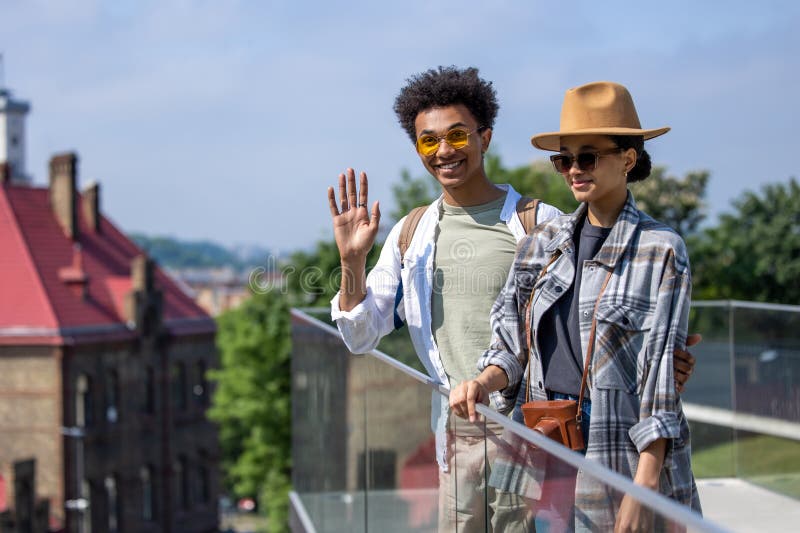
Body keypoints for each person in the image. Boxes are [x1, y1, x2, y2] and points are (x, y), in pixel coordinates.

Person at [328, 68, 697, 531]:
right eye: (565, 161)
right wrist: (352, 263)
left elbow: (601, 335)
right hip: (469, 427)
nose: (444, 151)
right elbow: (361, 335)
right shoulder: (415, 235)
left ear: (484, 137)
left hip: (546, 429)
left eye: (458, 135)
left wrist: (659, 364)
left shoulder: (537, 225)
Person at [450, 81, 703, 531]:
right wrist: (483, 383)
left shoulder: (661, 250)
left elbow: (659, 383)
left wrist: (642, 488)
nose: (572, 171)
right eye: (563, 160)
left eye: (587, 157)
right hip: (543, 444)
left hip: (620, 449)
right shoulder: (539, 246)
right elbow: (509, 345)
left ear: (628, 159)